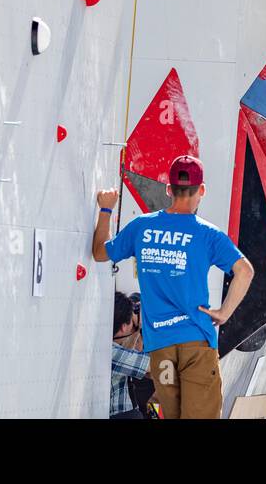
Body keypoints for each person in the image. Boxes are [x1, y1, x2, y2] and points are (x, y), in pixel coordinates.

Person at [92, 155, 253, 419]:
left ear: (169, 189)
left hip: (161, 350)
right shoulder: (208, 234)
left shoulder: (141, 227)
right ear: (201, 190)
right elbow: (244, 271)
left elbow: (100, 252)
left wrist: (106, 210)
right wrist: (224, 313)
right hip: (195, 345)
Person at [109, 291, 150, 420]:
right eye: (132, 321)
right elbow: (154, 365)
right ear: (123, 327)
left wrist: (136, 327)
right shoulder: (111, 353)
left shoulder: (107, 347)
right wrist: (140, 330)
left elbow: (131, 352)